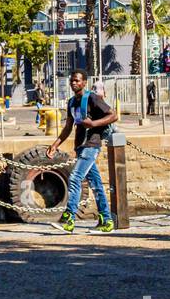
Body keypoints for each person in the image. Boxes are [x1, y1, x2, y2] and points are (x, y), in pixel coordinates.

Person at [46, 71, 117, 233]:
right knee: (96, 185)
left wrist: (93, 124)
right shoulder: (71, 102)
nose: (73, 83)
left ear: (84, 82)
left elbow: (113, 115)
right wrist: (55, 144)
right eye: (72, 81)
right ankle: (106, 221)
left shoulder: (92, 98)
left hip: (91, 145)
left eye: (77, 81)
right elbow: (68, 127)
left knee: (74, 178)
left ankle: (69, 218)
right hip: (80, 147)